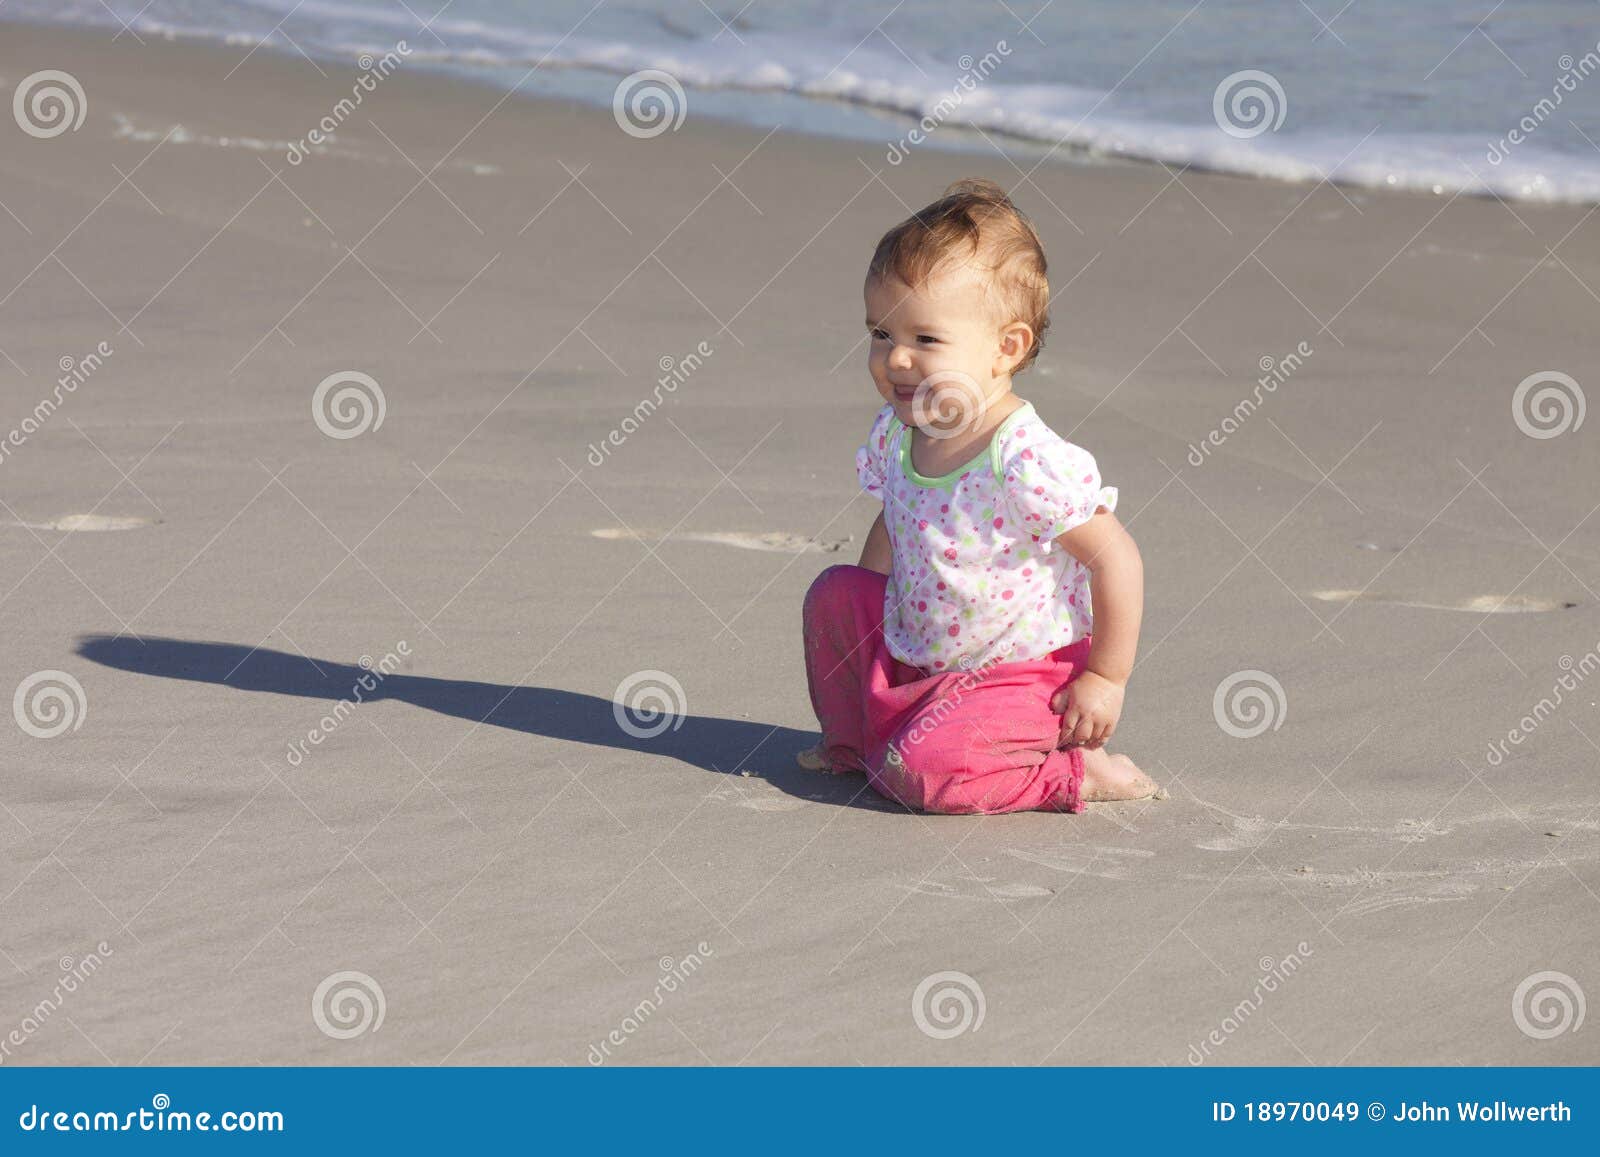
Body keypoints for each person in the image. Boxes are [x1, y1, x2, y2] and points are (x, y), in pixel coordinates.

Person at [799, 178, 1161, 814]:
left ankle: (1068, 771)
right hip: (925, 649)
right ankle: (859, 743)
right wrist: (873, 633)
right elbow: (896, 522)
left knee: (927, 775)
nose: (895, 359)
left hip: (1018, 675)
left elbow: (1116, 558)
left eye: (925, 340)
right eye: (881, 333)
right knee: (836, 593)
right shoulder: (899, 433)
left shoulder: (1023, 458)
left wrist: (1105, 678)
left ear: (1005, 348)